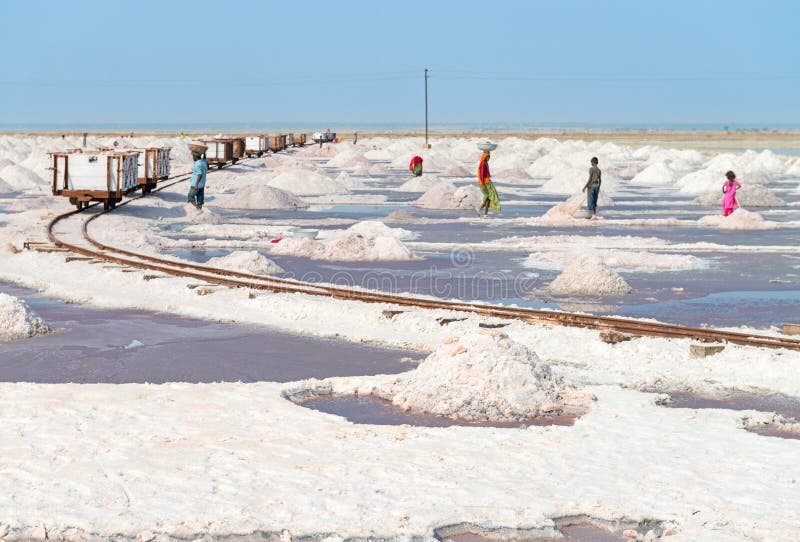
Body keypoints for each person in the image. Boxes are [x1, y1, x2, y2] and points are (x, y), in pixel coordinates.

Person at [477, 151, 501, 218]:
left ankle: (485, 213)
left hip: (487, 182)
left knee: (489, 197)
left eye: (489, 157)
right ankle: (480, 209)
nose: (488, 158)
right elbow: (481, 174)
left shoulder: (485, 163)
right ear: (484, 157)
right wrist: (482, 183)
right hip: (484, 182)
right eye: (487, 157)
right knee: (488, 196)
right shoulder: (483, 164)